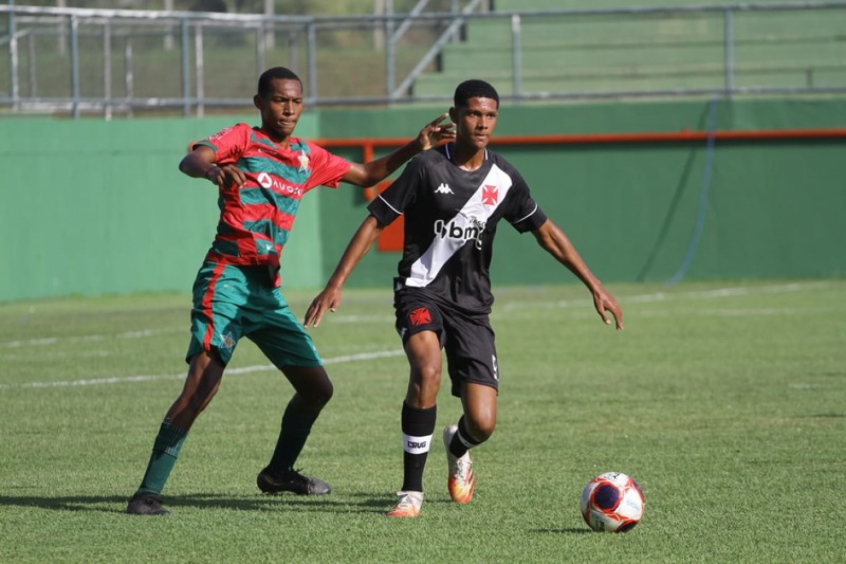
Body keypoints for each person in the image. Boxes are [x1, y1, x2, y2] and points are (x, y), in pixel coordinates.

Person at [126, 66, 455, 516]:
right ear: (260, 102)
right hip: (226, 278)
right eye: (280, 100)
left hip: (266, 291)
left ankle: (278, 473)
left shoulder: (306, 156)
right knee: (202, 386)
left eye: (296, 101)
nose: (289, 108)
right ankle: (147, 492)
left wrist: (414, 148)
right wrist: (214, 173)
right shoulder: (242, 138)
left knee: (317, 387)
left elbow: (366, 172)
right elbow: (193, 159)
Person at [304, 79, 623, 518]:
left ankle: (458, 444)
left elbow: (546, 233)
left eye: (490, 115)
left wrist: (595, 284)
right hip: (419, 290)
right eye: (474, 113)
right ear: (454, 116)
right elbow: (376, 222)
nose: (482, 122)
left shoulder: (504, 179)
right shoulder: (426, 167)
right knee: (427, 368)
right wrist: (335, 282)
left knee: (484, 423)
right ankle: (411, 493)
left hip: (472, 306)